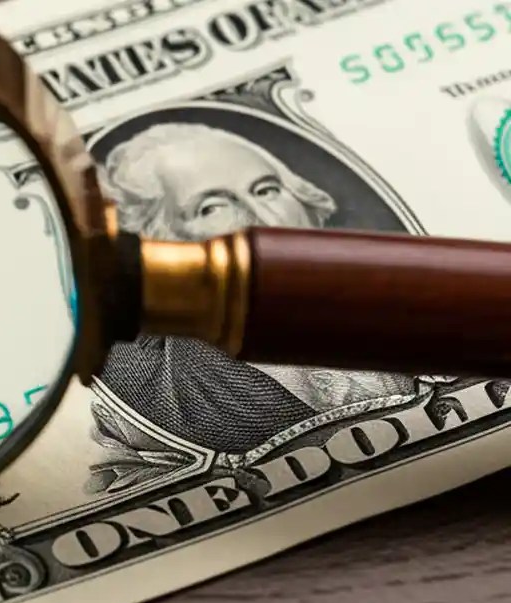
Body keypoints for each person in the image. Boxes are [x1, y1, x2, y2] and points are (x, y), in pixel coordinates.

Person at [95, 122, 415, 453]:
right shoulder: (146, 395)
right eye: (212, 207)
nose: (263, 218)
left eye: (266, 190)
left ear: (304, 201)